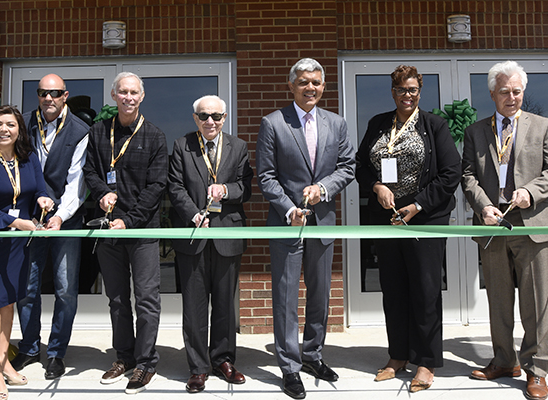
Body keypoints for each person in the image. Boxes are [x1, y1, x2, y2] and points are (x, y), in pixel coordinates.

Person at [461, 61, 548, 400]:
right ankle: (505, 360)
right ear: (492, 93)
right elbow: (468, 177)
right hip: (493, 226)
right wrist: (483, 205)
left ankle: (537, 370)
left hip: (532, 224)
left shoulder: (543, 125)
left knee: (537, 303)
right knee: (499, 300)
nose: (512, 97)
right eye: (504, 91)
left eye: (517, 91)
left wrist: (530, 192)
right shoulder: (476, 131)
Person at [354, 65, 460, 393]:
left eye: (413, 90)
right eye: (401, 90)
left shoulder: (434, 125)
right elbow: (360, 165)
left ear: (420, 91)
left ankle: (426, 361)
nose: (407, 96)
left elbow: (451, 173)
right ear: (392, 92)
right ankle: (398, 355)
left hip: (423, 220)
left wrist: (417, 205)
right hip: (386, 221)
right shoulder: (378, 124)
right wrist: (375, 186)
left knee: (426, 290)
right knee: (394, 289)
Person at [256, 58, 355, 399]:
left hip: (323, 222)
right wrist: (288, 207)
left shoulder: (337, 124)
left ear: (323, 86)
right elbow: (265, 176)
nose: (310, 87)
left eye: (316, 82)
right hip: (287, 223)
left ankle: (313, 355)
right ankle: (289, 366)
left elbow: (347, 166)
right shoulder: (273, 123)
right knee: (285, 296)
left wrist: (324, 188)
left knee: (320, 293)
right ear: (292, 85)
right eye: (303, 82)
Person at [83, 71, 168, 394]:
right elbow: (89, 169)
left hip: (142, 230)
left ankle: (146, 361)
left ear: (142, 97)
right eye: (123, 92)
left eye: (134, 92)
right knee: (117, 298)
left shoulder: (155, 136)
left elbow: (157, 187)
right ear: (114, 96)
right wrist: (102, 191)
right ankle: (124, 356)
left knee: (147, 299)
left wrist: (129, 221)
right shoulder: (99, 132)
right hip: (109, 229)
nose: (129, 98)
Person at [0, 105, 54, 400]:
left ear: (19, 131)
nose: (4, 129)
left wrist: (44, 201)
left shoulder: (28, 160)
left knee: (7, 302)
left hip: (16, 242)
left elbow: (40, 189)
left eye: (11, 125)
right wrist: (16, 221)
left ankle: (4, 363)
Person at [168, 95, 253, 393]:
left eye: (216, 116)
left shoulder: (238, 147)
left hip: (227, 235)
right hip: (193, 236)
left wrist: (227, 190)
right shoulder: (182, 146)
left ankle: (224, 360)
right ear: (195, 118)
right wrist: (193, 214)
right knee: (193, 306)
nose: (210, 121)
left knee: (225, 307)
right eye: (204, 115)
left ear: (225, 117)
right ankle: (198, 367)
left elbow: (246, 187)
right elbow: (174, 186)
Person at [11, 74, 89, 380]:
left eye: (55, 93)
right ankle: (29, 348)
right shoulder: (23, 124)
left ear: (65, 95)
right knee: (27, 289)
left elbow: (77, 182)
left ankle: (56, 352)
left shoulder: (81, 130)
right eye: (43, 93)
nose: (48, 99)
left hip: (65, 221)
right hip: (29, 221)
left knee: (66, 289)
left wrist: (61, 216)